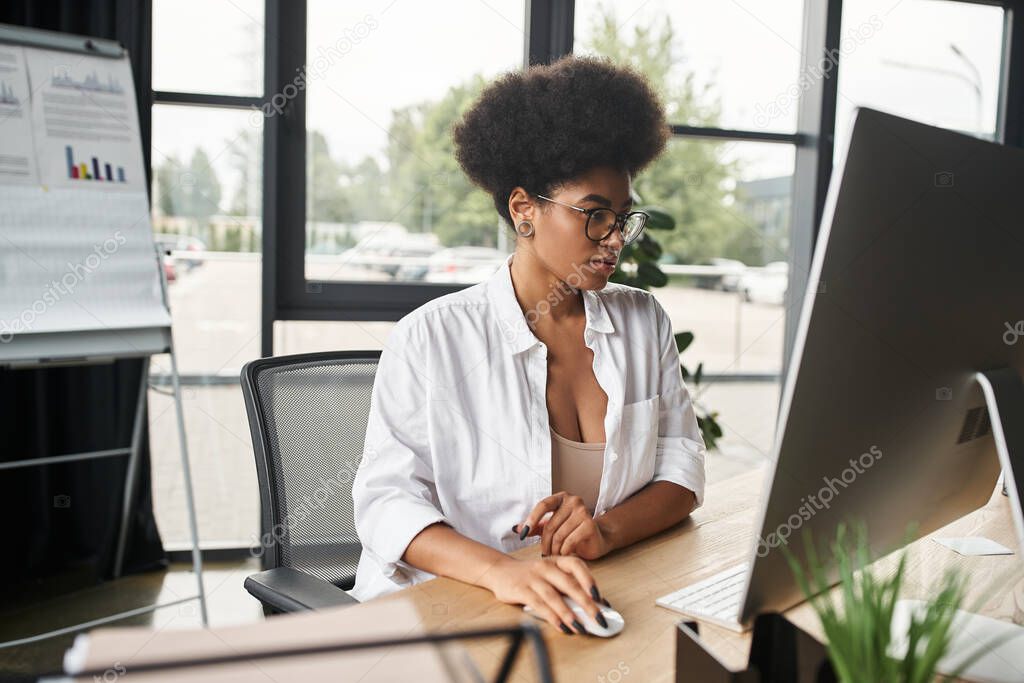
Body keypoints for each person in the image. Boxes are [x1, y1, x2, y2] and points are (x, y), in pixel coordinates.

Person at [349, 54, 706, 636]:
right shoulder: (433, 337)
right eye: (594, 215)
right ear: (524, 211)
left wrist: (605, 530)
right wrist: (503, 573)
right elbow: (387, 504)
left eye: (622, 216)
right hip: (453, 613)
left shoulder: (643, 321)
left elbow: (682, 464)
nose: (615, 239)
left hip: (587, 596)